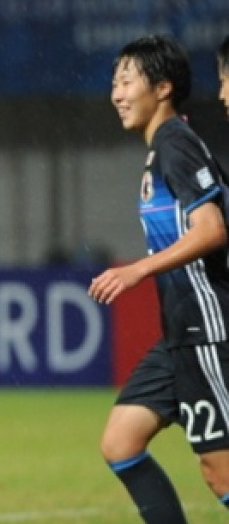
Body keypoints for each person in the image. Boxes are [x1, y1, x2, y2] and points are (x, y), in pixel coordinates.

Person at [89, 34, 229, 522]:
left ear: (163, 87)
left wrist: (138, 269)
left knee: (219, 471)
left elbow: (212, 229)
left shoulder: (176, 144)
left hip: (209, 329)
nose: (117, 93)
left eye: (127, 80)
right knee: (120, 441)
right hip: (179, 335)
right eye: (114, 82)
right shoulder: (161, 151)